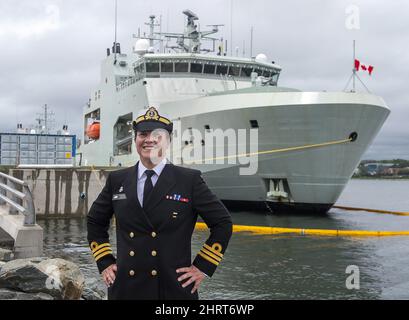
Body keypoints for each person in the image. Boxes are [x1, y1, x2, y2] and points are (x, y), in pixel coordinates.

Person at [87, 106, 233, 300]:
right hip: (126, 289)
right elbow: (95, 221)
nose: (150, 140)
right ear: (135, 141)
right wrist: (104, 261)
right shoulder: (118, 180)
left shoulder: (188, 180)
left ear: (168, 141)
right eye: (143, 134)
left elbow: (222, 223)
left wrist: (202, 267)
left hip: (172, 289)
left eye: (158, 135)